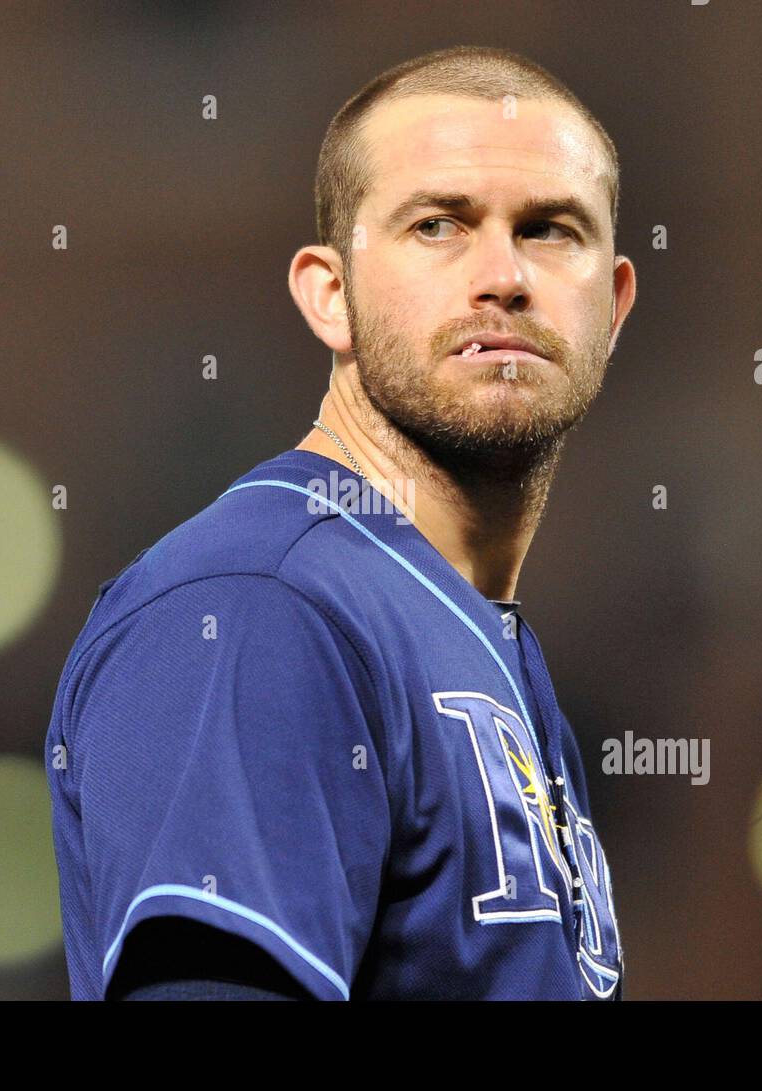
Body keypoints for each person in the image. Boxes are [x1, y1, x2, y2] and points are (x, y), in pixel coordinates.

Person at [46, 43, 637, 1001]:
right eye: (439, 224)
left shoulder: (469, 631)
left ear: (612, 307)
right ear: (331, 295)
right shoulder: (258, 609)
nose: (503, 276)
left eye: (550, 229)